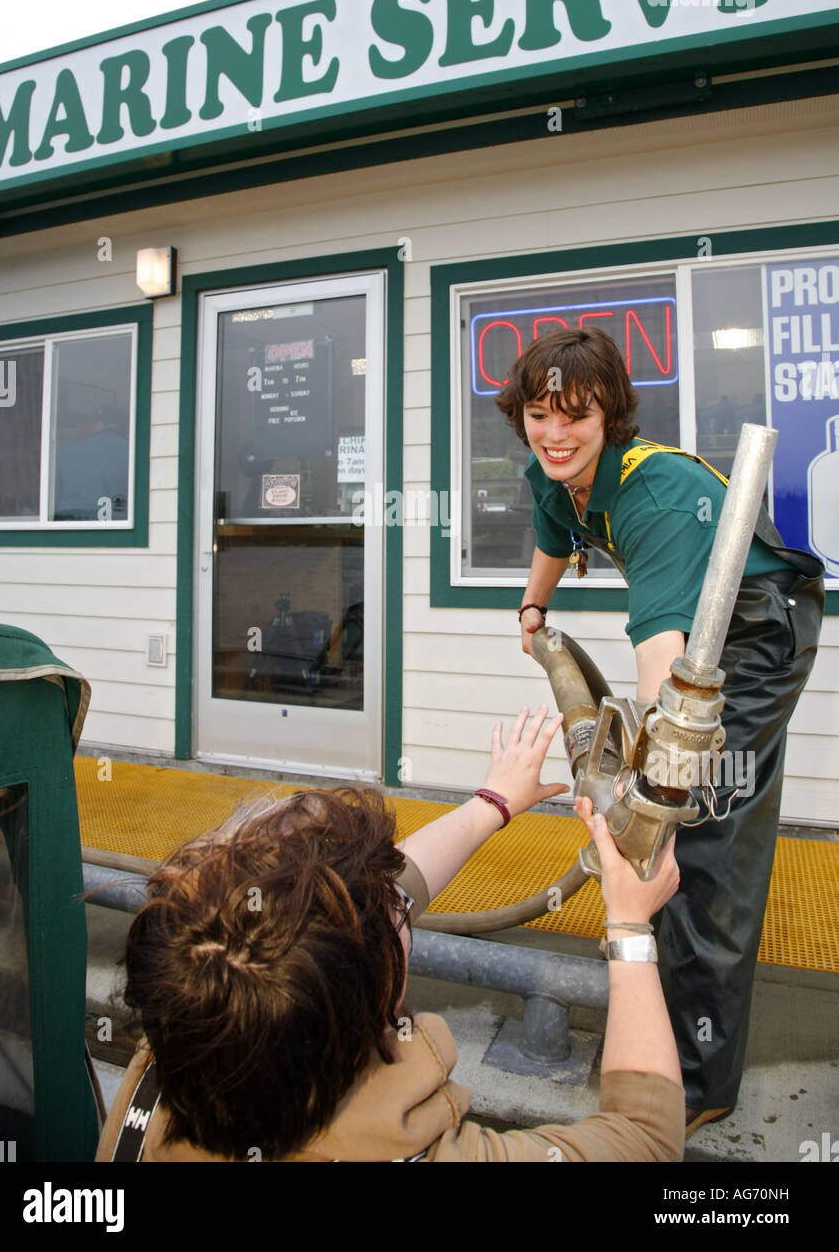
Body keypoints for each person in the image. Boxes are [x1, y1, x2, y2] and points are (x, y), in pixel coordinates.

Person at [96, 706, 684, 1163]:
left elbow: (360, 919)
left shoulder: (172, 1061)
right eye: (391, 913)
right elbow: (646, 1140)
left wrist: (492, 804)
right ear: (384, 989)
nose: (402, 898)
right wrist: (630, 930)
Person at [497, 326, 824, 1136]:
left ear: (610, 414)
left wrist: (644, 790)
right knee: (668, 827)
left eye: (576, 414)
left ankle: (696, 1076)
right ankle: (659, 1018)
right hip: (697, 634)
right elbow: (551, 534)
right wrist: (536, 611)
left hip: (757, 626)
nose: (555, 432)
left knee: (701, 828)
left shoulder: (657, 496)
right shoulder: (556, 471)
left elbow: (664, 669)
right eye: (540, 414)